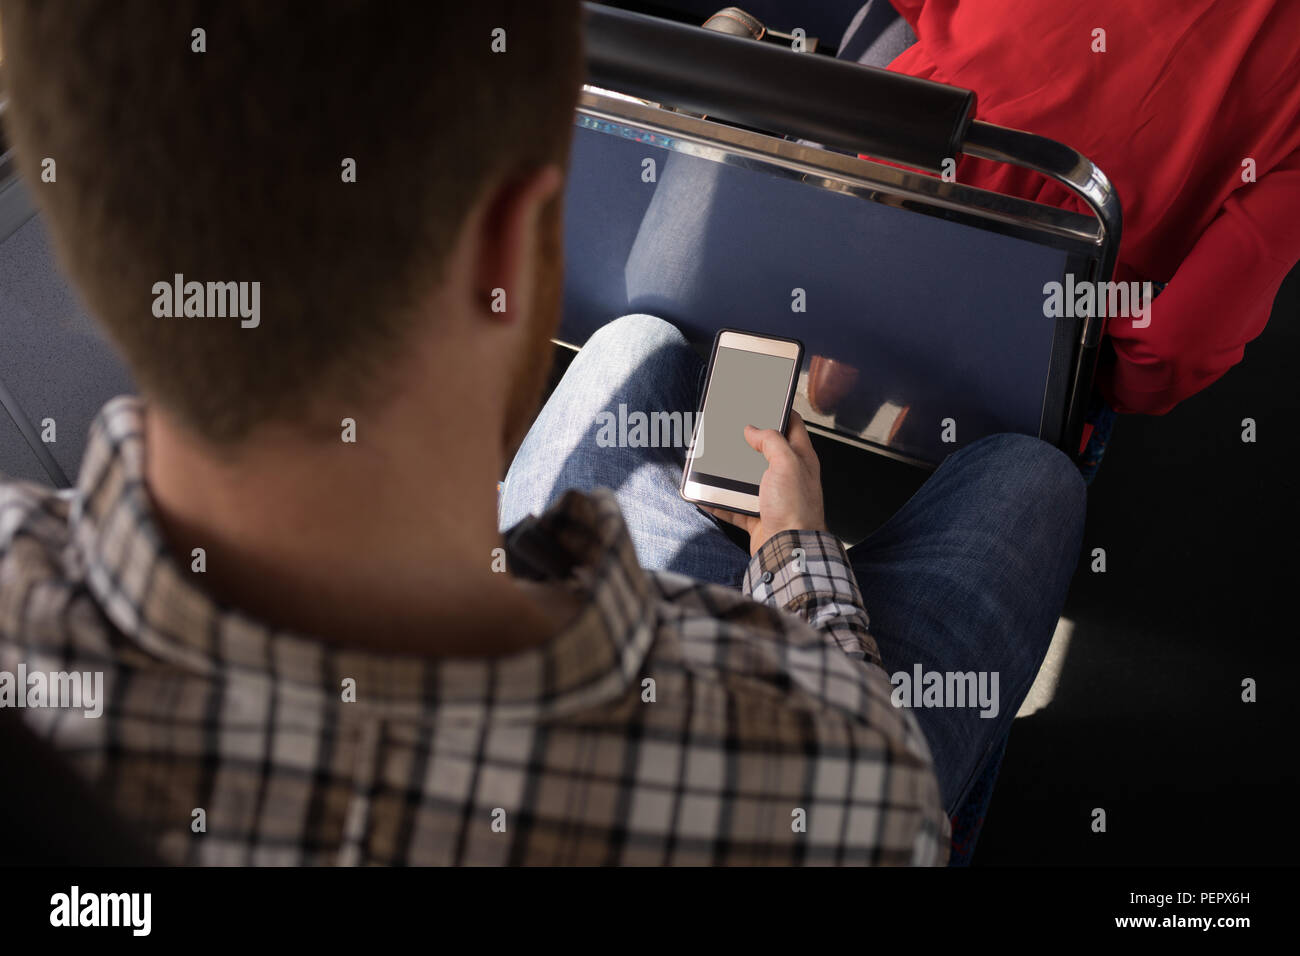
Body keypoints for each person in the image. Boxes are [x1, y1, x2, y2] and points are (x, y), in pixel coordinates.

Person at [0, 0, 1080, 865]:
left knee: (629, 348)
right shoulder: (777, 777)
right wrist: (794, 554)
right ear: (510, 252)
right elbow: (876, 774)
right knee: (1030, 478)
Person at [837, 0, 1300, 478]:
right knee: (971, 477)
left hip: (902, 175)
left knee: (832, 375)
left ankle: (838, 364)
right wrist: (1111, 381)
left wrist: (970, 43)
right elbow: (1183, 341)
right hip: (1053, 309)